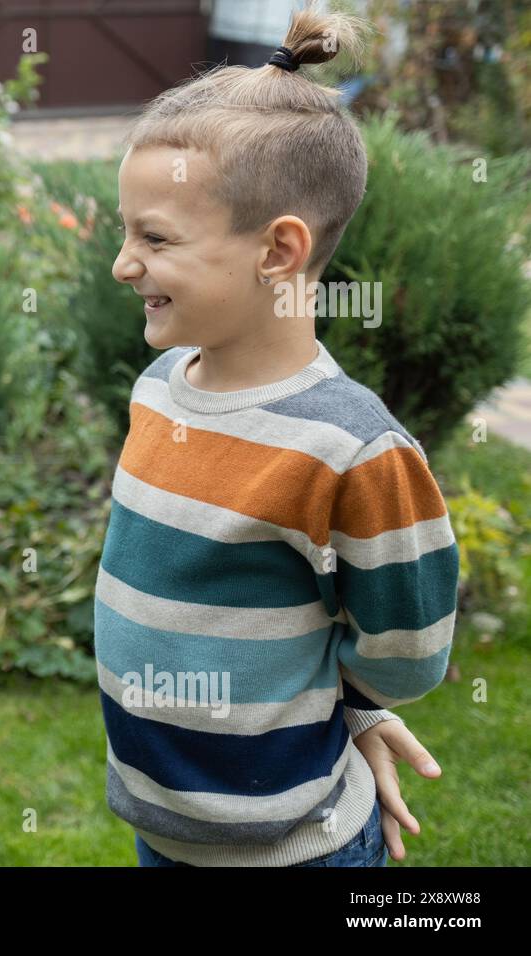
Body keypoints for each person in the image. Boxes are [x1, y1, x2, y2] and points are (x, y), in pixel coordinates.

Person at [98, 4, 459, 866]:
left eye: (154, 237)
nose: (122, 262)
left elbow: (407, 652)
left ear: (278, 251)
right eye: (123, 231)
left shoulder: (353, 450)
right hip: (166, 837)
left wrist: (351, 703)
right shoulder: (159, 391)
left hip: (298, 849)